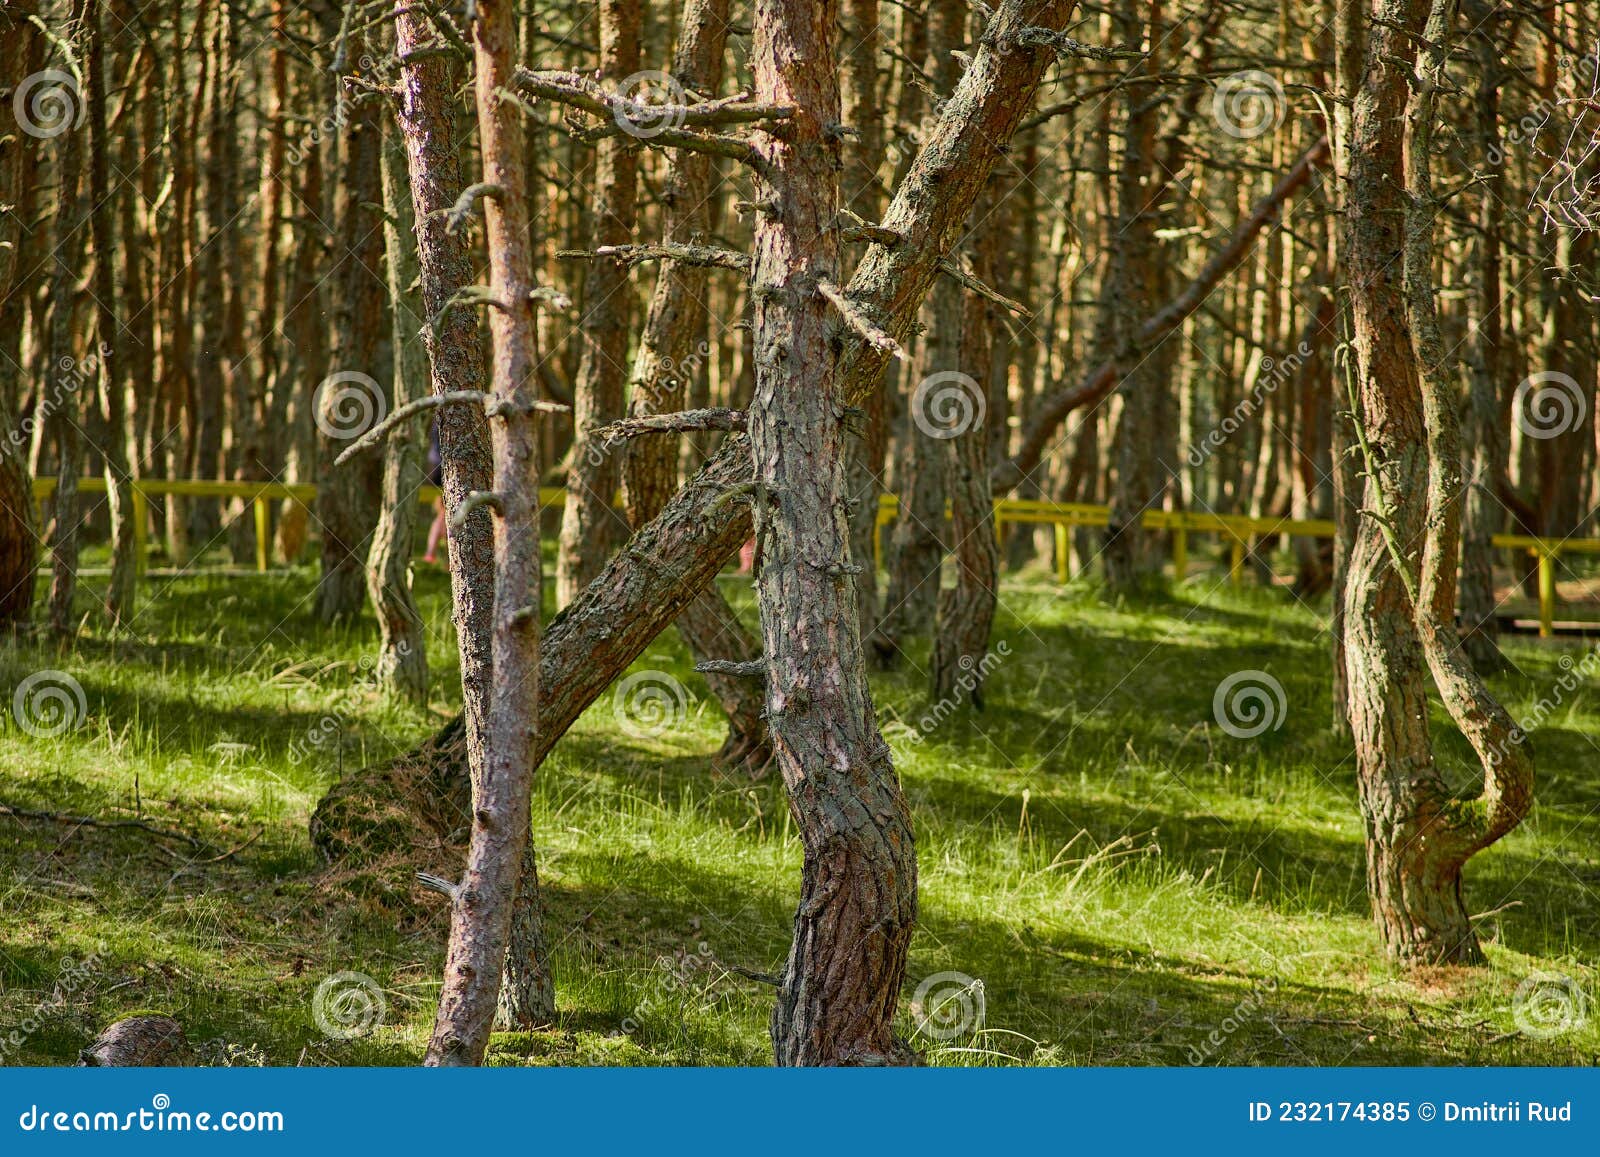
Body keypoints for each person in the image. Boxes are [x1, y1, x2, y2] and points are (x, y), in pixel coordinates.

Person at [424, 419, 447, 564]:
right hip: (442, 467)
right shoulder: (447, 417)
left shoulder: (434, 420)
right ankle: (437, 555)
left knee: (442, 511)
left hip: (435, 466)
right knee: (445, 513)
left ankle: (431, 553)